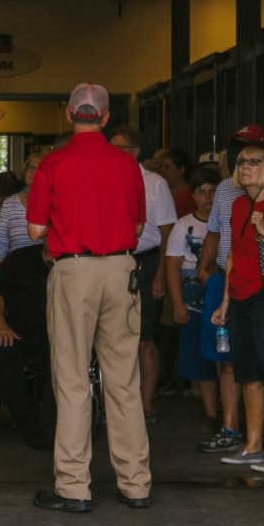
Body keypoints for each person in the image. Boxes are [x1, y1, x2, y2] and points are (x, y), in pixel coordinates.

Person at [26, 85, 152, 513]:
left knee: (73, 380)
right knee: (124, 380)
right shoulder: (127, 164)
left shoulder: (54, 163)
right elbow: (138, 228)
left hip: (74, 270)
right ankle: (135, 484)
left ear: (68, 114)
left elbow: (34, 232)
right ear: (104, 117)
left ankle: (74, 486)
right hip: (121, 268)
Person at [197, 125, 264, 453]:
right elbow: (231, 251)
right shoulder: (237, 202)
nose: (245, 166)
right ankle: (251, 446)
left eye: (254, 160)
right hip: (238, 294)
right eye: (241, 160)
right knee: (247, 374)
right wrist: (225, 300)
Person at [111, 127, 178, 417]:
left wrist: (161, 273)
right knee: (114, 335)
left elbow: (167, 232)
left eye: (119, 147)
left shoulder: (155, 183)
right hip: (114, 258)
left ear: (134, 151)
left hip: (148, 260)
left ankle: (145, 403)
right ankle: (117, 401)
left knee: (145, 336)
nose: (113, 153)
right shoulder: (106, 178)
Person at [0, 238, 53, 445]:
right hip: (17, 332)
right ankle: (30, 424)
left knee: (64, 360)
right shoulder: (20, 258)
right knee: (1, 352)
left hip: (59, 337)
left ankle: (50, 426)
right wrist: (0, 324)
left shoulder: (75, 264)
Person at [163, 200, 221, 431]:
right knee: (202, 359)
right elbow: (172, 265)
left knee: (227, 360)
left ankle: (231, 416)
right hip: (194, 302)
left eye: (212, 191)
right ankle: (210, 414)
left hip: (222, 296)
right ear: (194, 195)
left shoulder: (226, 221)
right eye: (201, 191)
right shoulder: (183, 225)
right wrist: (178, 304)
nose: (207, 197)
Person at [0, 146, 50, 266]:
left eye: (39, 168)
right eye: (30, 167)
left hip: (47, 268)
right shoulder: (9, 204)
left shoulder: (56, 203)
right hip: (17, 268)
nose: (33, 171)